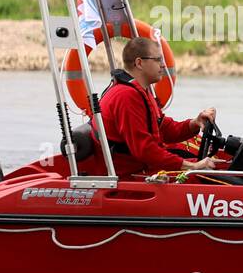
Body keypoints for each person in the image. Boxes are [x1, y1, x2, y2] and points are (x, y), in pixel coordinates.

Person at [93, 36, 218, 177]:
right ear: (139, 63)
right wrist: (193, 166)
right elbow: (144, 150)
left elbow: (164, 129)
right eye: (158, 59)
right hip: (131, 176)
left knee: (215, 166)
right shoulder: (126, 96)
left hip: (144, 168)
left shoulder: (141, 91)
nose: (163, 65)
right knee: (210, 173)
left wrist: (195, 123)